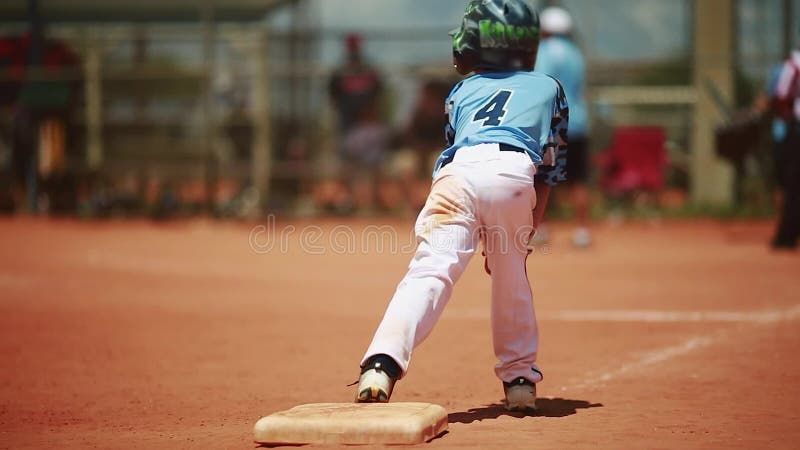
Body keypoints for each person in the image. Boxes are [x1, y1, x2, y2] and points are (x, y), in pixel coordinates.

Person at [354, 0, 568, 412]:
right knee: (511, 276)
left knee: (430, 271)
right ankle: (519, 378)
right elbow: (548, 173)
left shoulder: (459, 92)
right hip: (513, 174)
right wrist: (525, 233)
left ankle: (381, 363)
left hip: (455, 176)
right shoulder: (548, 87)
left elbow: (461, 147)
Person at [535, 6, 591, 247]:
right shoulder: (576, 54)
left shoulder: (543, 52)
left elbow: (541, 86)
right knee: (578, 179)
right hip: (578, 121)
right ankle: (581, 230)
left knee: (542, 178)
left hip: (552, 122)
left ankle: (541, 228)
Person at [771, 45, 800, 250]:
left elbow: (782, 97)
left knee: (793, 184)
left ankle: (787, 236)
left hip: (796, 129)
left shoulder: (793, 66)